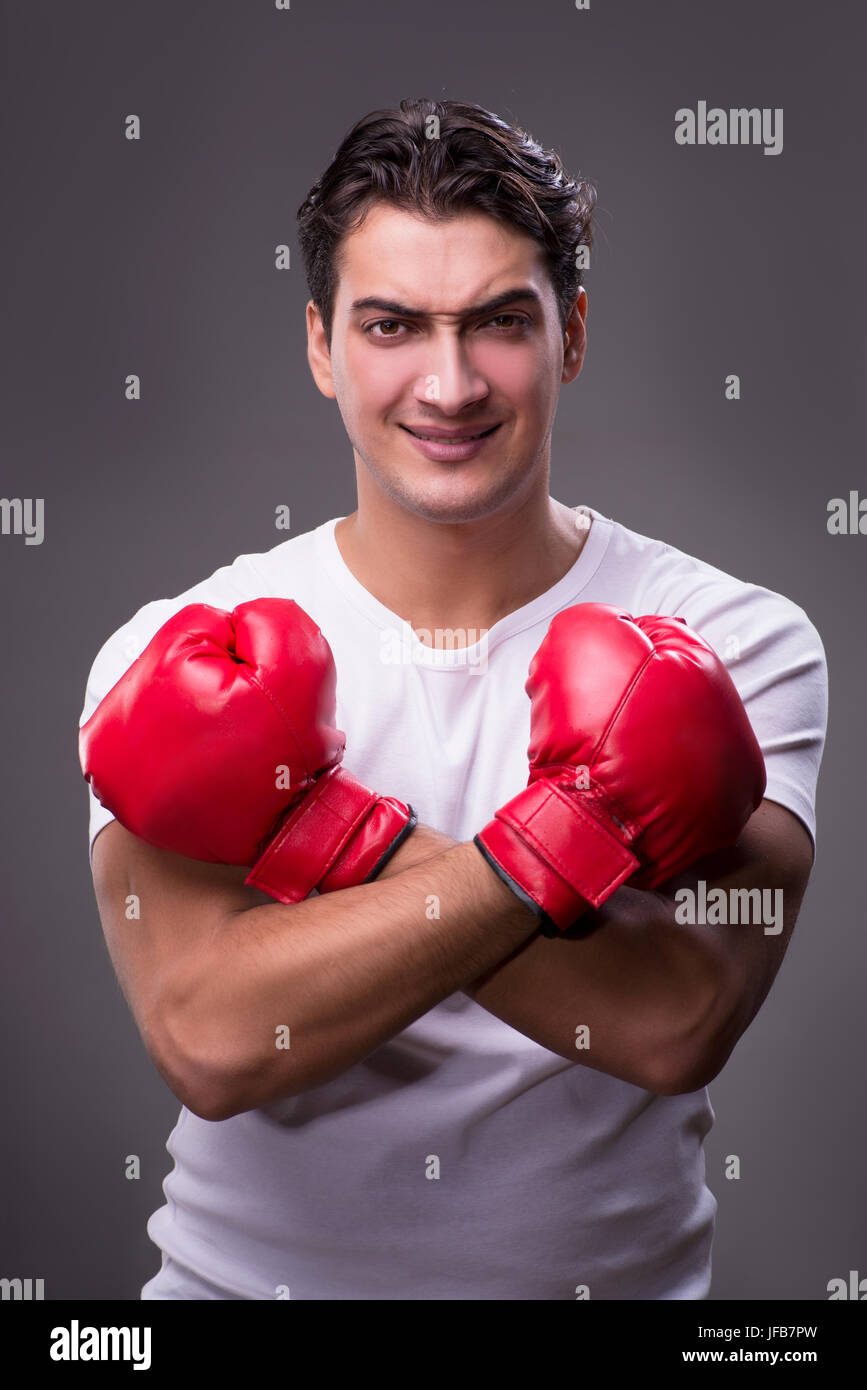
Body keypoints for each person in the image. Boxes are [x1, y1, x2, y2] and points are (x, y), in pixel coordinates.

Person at [79, 98, 827, 1300]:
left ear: (570, 335)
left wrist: (313, 834)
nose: (450, 380)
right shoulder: (171, 652)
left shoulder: (737, 641)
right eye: (392, 325)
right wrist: (571, 842)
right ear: (321, 346)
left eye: (497, 321)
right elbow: (215, 1040)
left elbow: (673, 1023)